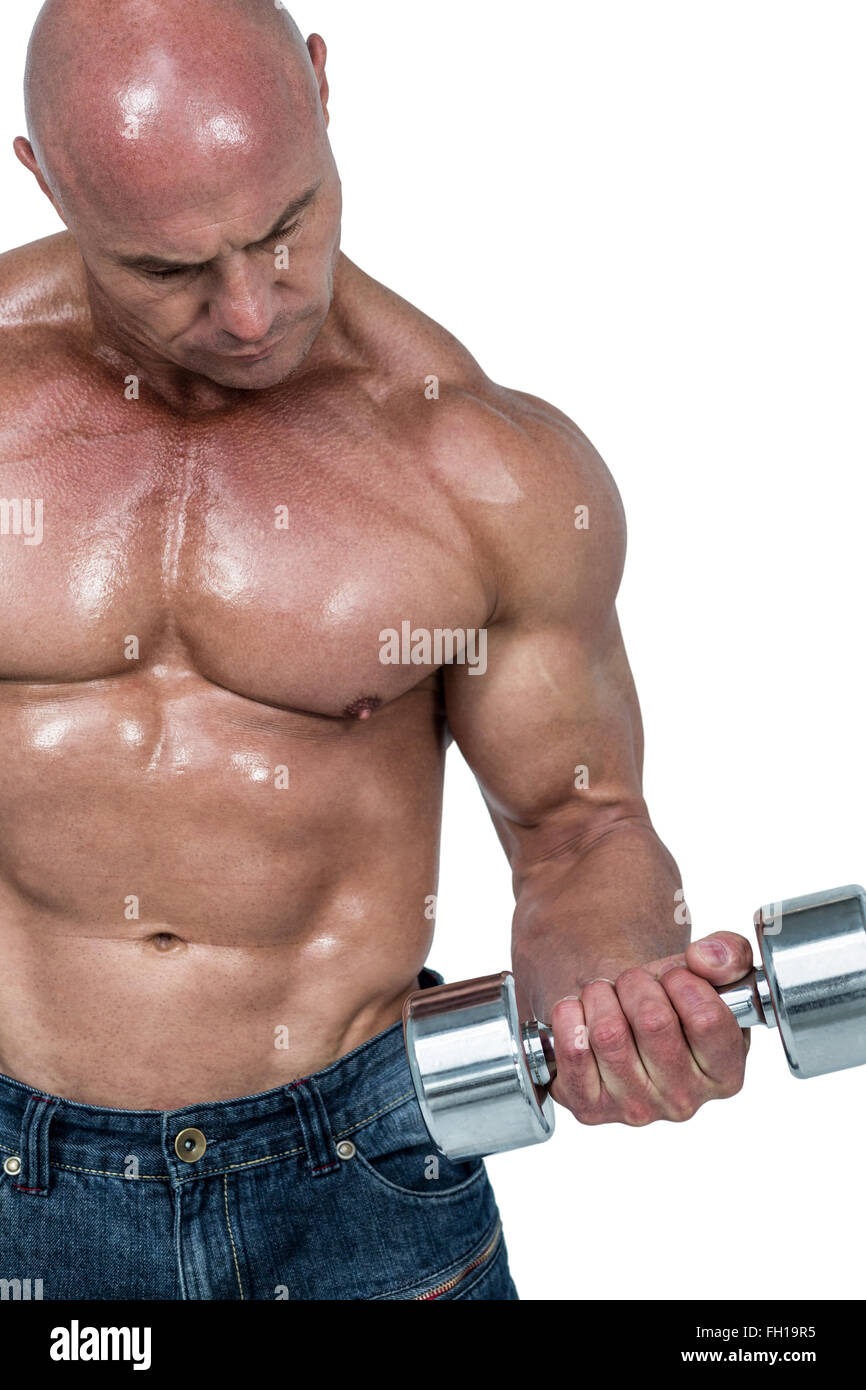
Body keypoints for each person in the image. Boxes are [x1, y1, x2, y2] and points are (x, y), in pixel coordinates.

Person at [0, 0, 749, 1300]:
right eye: (169, 271)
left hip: (355, 1182)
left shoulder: (476, 464)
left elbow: (581, 831)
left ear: (321, 85)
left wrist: (614, 991)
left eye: (286, 226)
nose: (247, 312)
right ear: (41, 176)